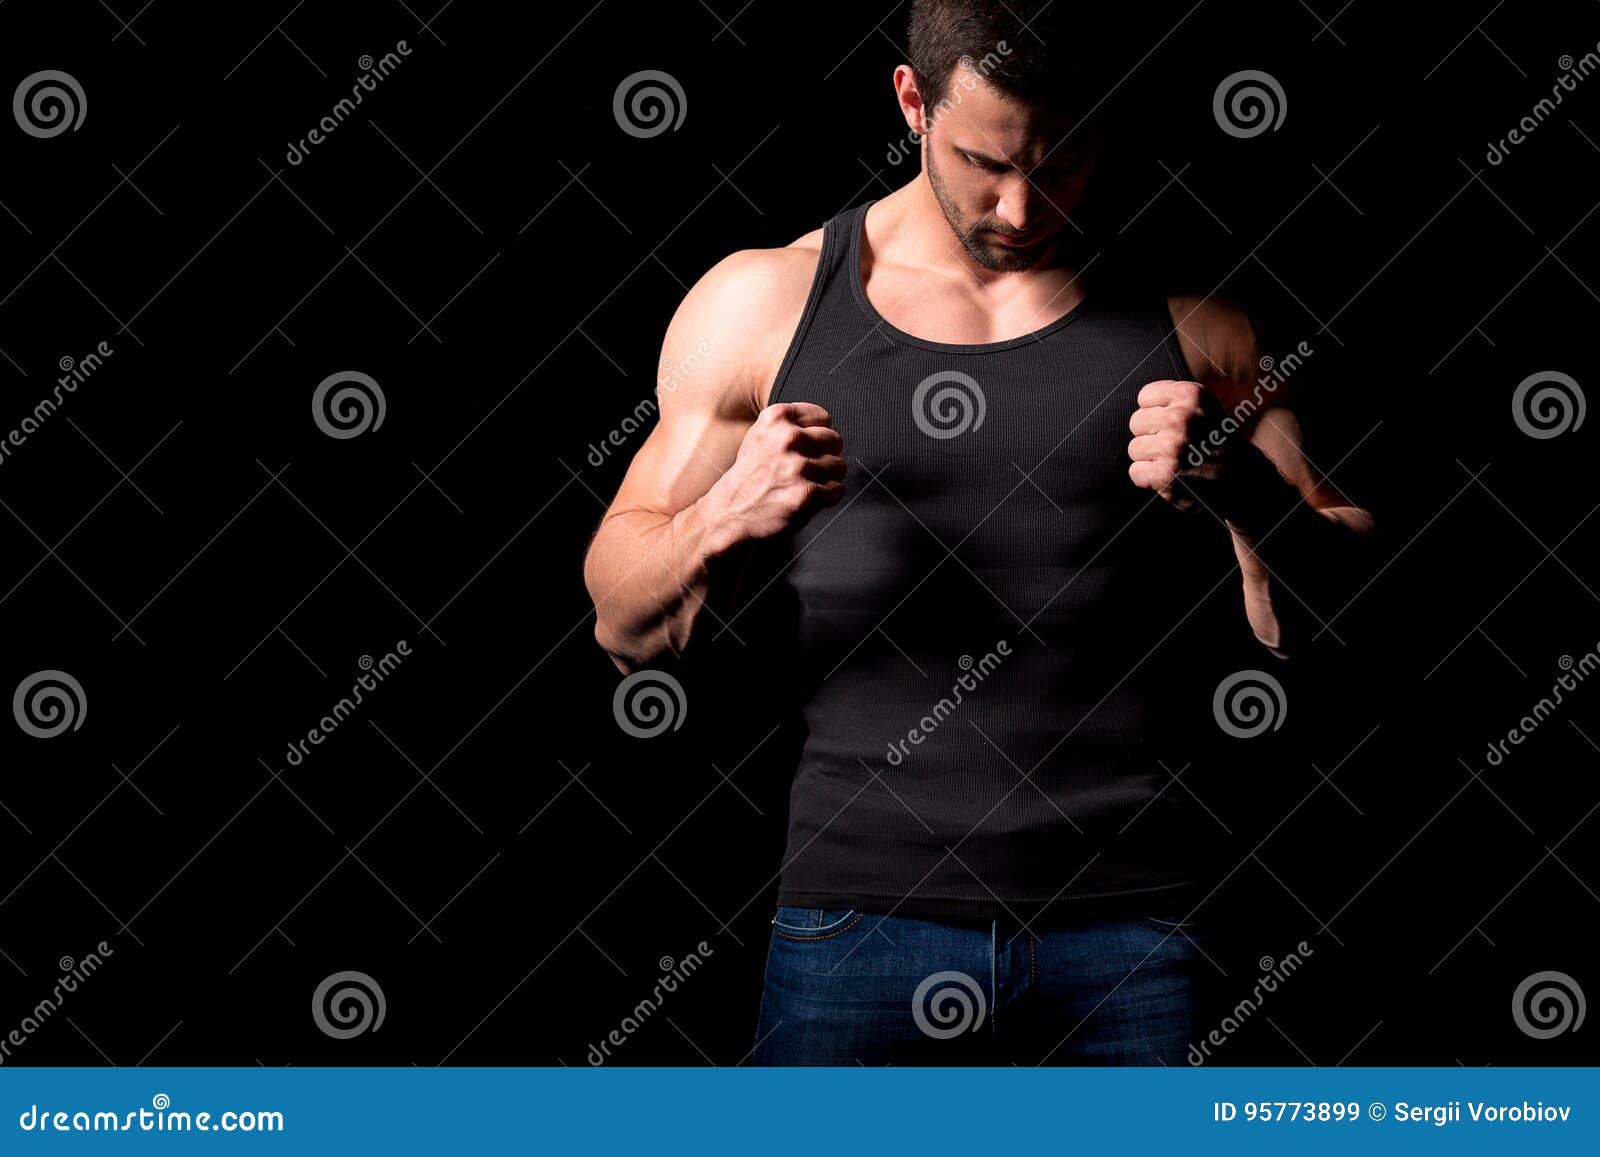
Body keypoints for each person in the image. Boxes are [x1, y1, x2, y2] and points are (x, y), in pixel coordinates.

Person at [582, 0, 1374, 1064]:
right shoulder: (765, 302)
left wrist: (1246, 493)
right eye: (983, 162)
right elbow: (622, 623)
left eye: (1060, 161)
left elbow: (1345, 617)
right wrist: (722, 514)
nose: (1020, 205)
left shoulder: (1201, 320)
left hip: (1136, 924)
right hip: (856, 916)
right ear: (911, 102)